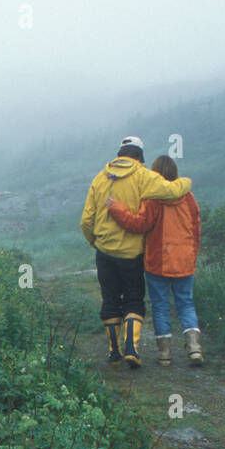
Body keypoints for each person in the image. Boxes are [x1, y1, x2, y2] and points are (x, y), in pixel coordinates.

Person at [80, 137, 193, 367]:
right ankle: (132, 348)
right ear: (140, 157)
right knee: (133, 299)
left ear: (119, 154)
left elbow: (86, 220)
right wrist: (187, 182)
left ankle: (114, 352)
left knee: (110, 298)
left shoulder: (100, 178)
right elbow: (171, 191)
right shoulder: (143, 175)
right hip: (132, 254)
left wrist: (95, 242)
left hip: (104, 251)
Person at [106, 154, 202, 366]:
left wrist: (116, 208)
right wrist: (192, 254)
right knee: (186, 304)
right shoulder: (188, 197)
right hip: (184, 260)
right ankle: (194, 349)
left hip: (158, 261)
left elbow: (138, 224)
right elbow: (196, 228)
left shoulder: (153, 199)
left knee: (160, 306)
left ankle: (165, 354)